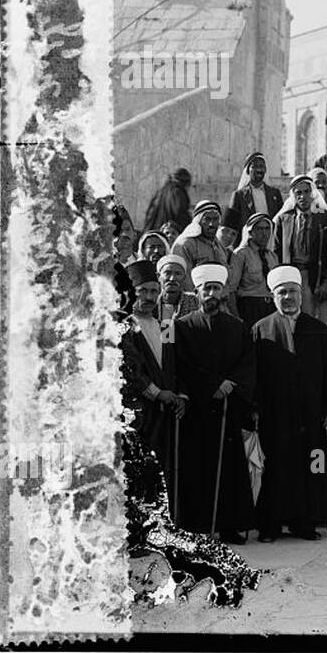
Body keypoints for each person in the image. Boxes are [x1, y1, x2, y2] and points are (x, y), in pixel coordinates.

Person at [250, 266, 327, 542]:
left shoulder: (319, 330)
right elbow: (254, 375)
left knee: (312, 467)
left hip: (310, 415)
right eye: (282, 293)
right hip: (275, 415)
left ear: (301, 295)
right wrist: (255, 408)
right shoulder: (261, 329)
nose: (288, 297)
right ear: (273, 297)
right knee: (276, 469)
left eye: (292, 292)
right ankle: (271, 525)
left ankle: (306, 523)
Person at [172, 264, 256, 543]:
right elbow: (181, 365)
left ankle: (230, 525)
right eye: (206, 288)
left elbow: (247, 363)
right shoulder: (181, 326)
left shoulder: (238, 327)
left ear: (223, 292)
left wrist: (230, 383)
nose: (211, 293)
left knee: (229, 469)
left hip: (227, 410)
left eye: (216, 288)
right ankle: (198, 525)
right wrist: (212, 385)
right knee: (199, 469)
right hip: (197, 410)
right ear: (196, 293)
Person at [117, 260, 185, 503]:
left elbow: (176, 364)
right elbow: (128, 370)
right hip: (140, 413)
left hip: (164, 413)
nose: (149, 297)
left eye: (154, 291)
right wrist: (157, 393)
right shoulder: (122, 326)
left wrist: (179, 395)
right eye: (142, 291)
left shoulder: (165, 326)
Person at [272, 174, 327, 325]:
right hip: (292, 276)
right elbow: (276, 254)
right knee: (292, 321)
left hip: (317, 278)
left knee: (319, 323)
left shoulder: (326, 218)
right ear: (293, 196)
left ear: (313, 193)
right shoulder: (284, 220)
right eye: (298, 193)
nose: (303, 196)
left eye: (306, 192)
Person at [227, 213, 278, 328]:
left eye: (267, 229)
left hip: (271, 308)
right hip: (249, 307)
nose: (264, 233)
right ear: (250, 232)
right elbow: (231, 289)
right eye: (259, 229)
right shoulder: (241, 254)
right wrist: (236, 317)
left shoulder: (272, 256)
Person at [227, 151, 283, 227]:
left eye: (261, 166)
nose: (259, 170)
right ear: (247, 170)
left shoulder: (275, 193)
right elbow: (232, 224)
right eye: (255, 166)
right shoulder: (238, 195)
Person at [143, 168, 192, 235]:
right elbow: (181, 213)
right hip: (170, 233)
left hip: (155, 232)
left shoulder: (161, 191)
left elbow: (149, 214)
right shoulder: (177, 192)